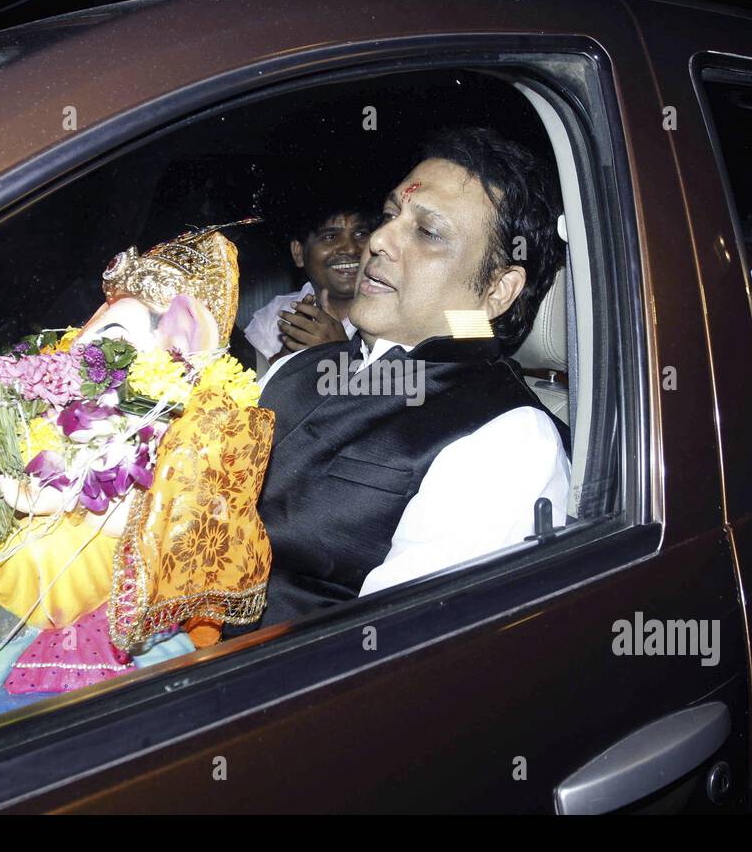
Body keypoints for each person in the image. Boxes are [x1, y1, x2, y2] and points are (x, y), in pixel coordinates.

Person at [237, 127, 572, 630]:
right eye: (391, 215)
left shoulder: (504, 441)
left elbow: (388, 661)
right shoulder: (295, 367)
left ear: (498, 290)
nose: (378, 239)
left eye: (428, 232)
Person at [243, 207, 372, 366]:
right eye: (330, 237)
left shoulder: (393, 316)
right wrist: (288, 355)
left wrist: (341, 354)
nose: (351, 248)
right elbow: (239, 383)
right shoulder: (273, 316)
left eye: (360, 234)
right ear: (298, 252)